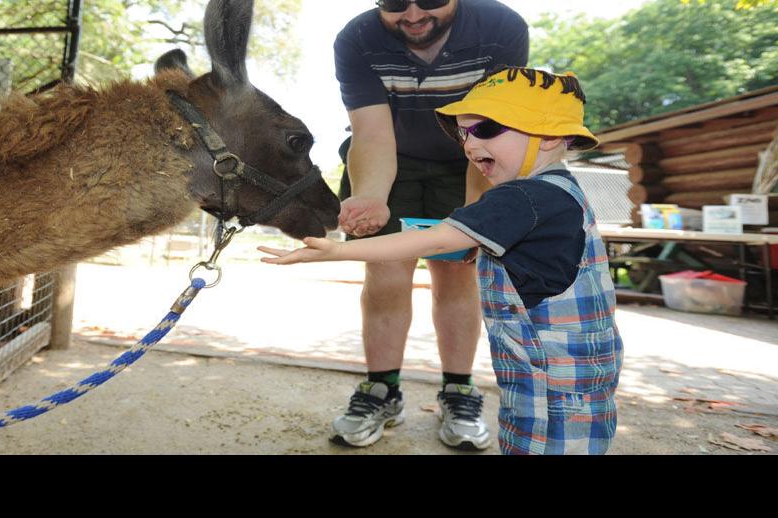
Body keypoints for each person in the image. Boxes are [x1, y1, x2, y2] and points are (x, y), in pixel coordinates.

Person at [260, 66, 625, 455]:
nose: (468, 145)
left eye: (484, 129)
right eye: (462, 132)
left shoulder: (523, 199)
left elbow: (435, 241)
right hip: (572, 371)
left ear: (550, 136)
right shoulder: (559, 191)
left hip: (552, 380)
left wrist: (339, 250)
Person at [331, 0, 528, 449]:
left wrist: (479, 214)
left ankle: (458, 390)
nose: (414, 15)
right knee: (384, 270)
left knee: (458, 271)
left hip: (469, 155)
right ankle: (382, 389)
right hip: (390, 158)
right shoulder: (357, 38)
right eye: (396, 3)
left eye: (432, 0)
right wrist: (373, 198)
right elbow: (372, 133)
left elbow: (487, 128)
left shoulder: (502, 27)